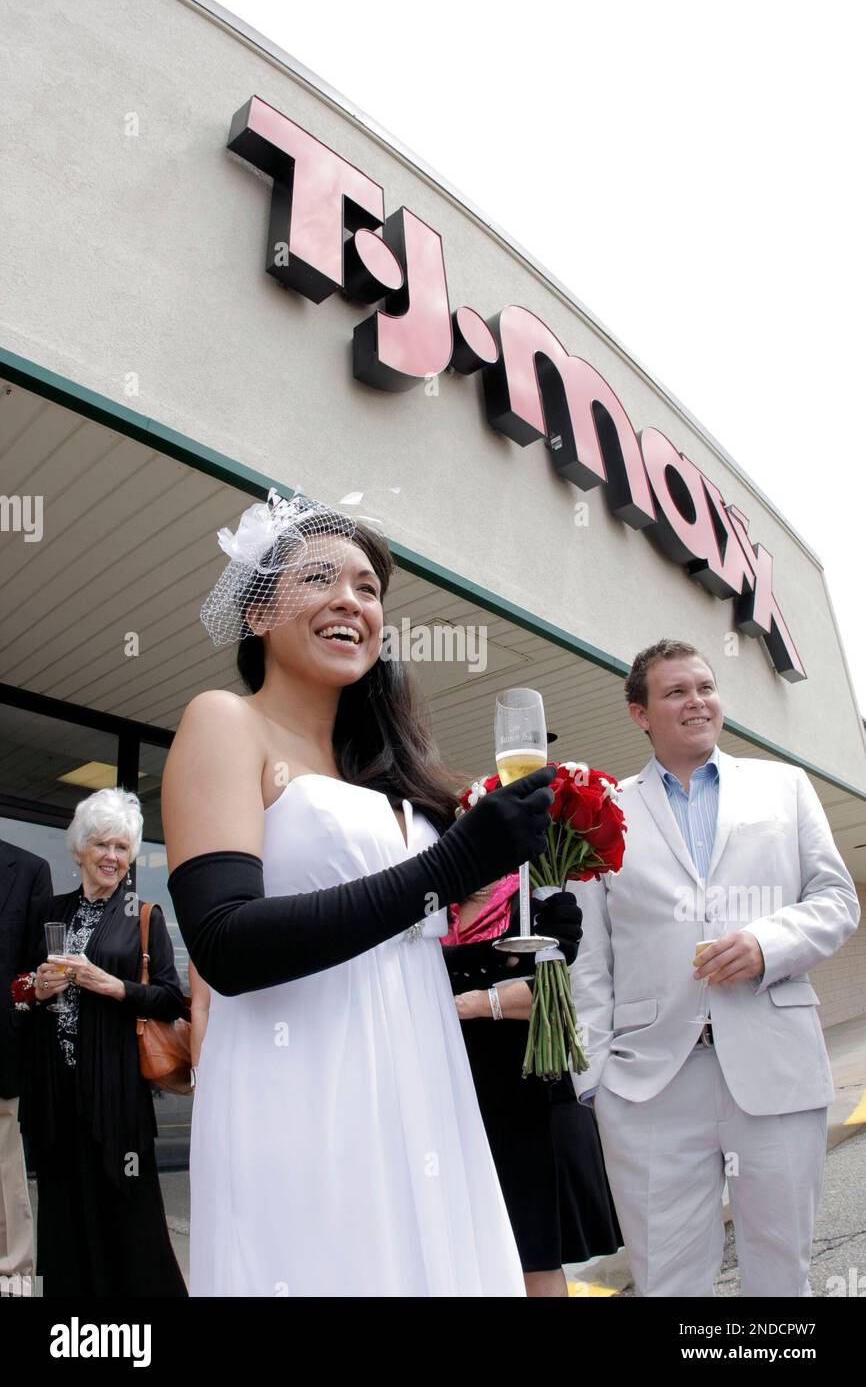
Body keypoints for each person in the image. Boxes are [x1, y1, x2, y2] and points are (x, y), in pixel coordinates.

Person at [162, 489, 556, 1297]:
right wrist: (443, 872)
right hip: (305, 1093)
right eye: (319, 579)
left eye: (369, 589)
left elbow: (408, 930)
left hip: (419, 1082)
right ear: (257, 611)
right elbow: (227, 944)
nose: (351, 599)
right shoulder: (224, 723)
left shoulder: (386, 776)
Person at [570, 638, 860, 1297]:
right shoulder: (604, 812)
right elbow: (591, 957)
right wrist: (596, 1082)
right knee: (668, 1280)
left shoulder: (783, 786)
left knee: (781, 1270)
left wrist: (768, 944)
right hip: (649, 1089)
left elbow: (836, 901)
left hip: (775, 1070)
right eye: (676, 692)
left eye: (705, 687)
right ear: (640, 714)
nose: (697, 701)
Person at [16, 788, 187, 1297]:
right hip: (57, 1088)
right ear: (80, 851)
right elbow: (21, 988)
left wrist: (112, 986)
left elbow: (170, 1000)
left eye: (121, 847)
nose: (111, 856)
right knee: (64, 1205)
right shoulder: (52, 910)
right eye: (101, 846)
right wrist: (38, 989)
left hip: (115, 1090)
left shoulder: (144, 914)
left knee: (125, 1205)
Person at [442, 877, 622, 1296]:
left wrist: (468, 1002)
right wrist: (494, 991)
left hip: (526, 1095)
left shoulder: (538, 897)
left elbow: (563, 995)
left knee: (533, 1252)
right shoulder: (432, 902)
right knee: (464, 1250)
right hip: (451, 1090)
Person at [0, 839, 52, 1284]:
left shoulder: (29, 868)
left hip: (0, 1044)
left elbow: (36, 968)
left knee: (3, 1169)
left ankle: (11, 1275)